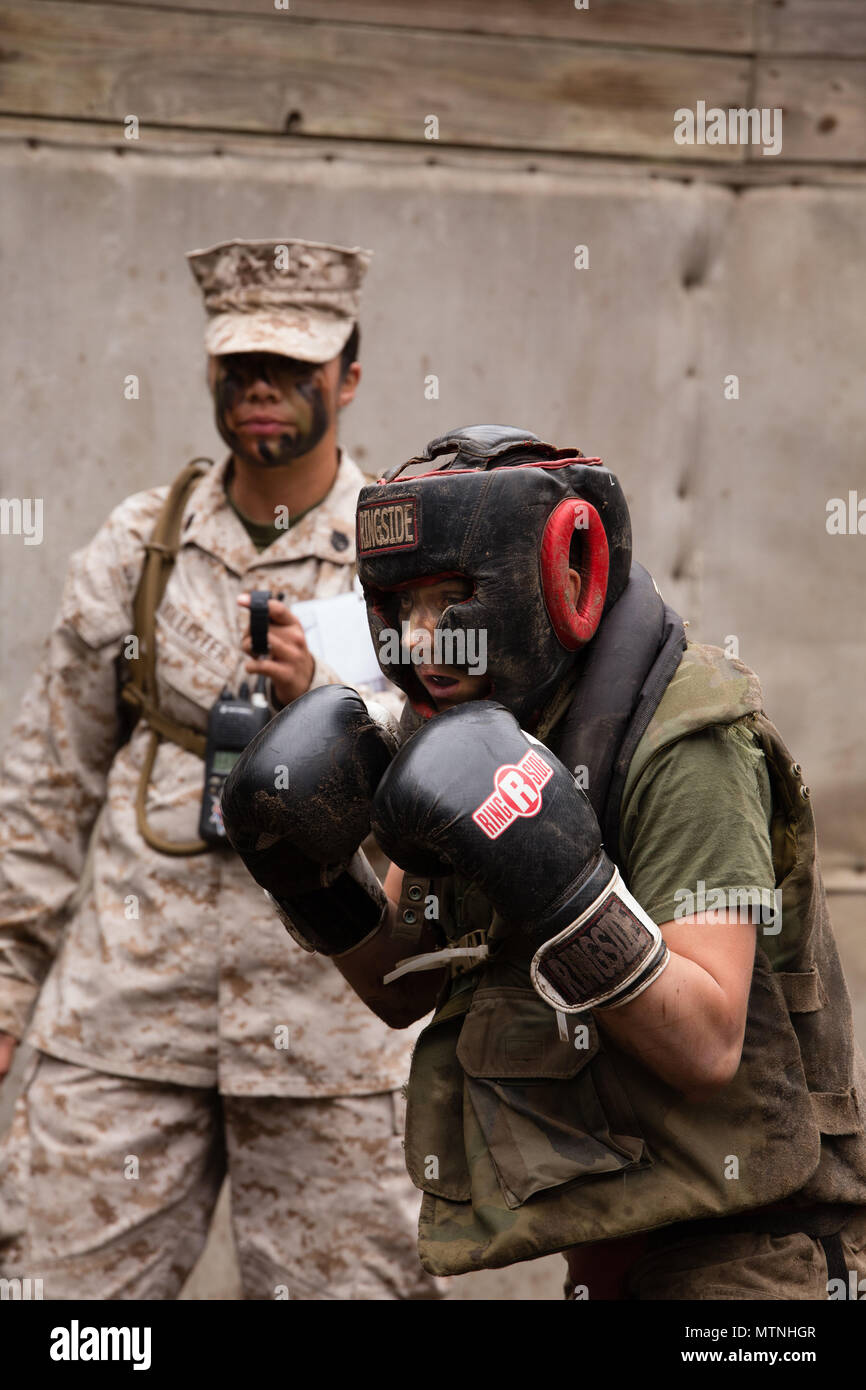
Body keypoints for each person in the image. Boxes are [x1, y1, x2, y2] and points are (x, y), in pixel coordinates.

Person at [222, 424, 866, 1301]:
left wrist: (560, 885)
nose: (423, 640)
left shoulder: (686, 740)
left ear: (567, 578)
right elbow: (401, 984)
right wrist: (312, 880)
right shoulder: (458, 727)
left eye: (451, 598)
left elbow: (711, 1038)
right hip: (607, 1254)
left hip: (752, 1263)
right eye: (399, 607)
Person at [0, 237, 442, 1301]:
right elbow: (47, 781)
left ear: (348, 377)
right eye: (241, 368)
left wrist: (331, 715)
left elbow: (456, 779)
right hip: (124, 1017)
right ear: (210, 374)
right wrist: (8, 984)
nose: (263, 392)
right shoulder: (134, 547)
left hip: (332, 1032)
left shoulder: (405, 555)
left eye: (293, 370)